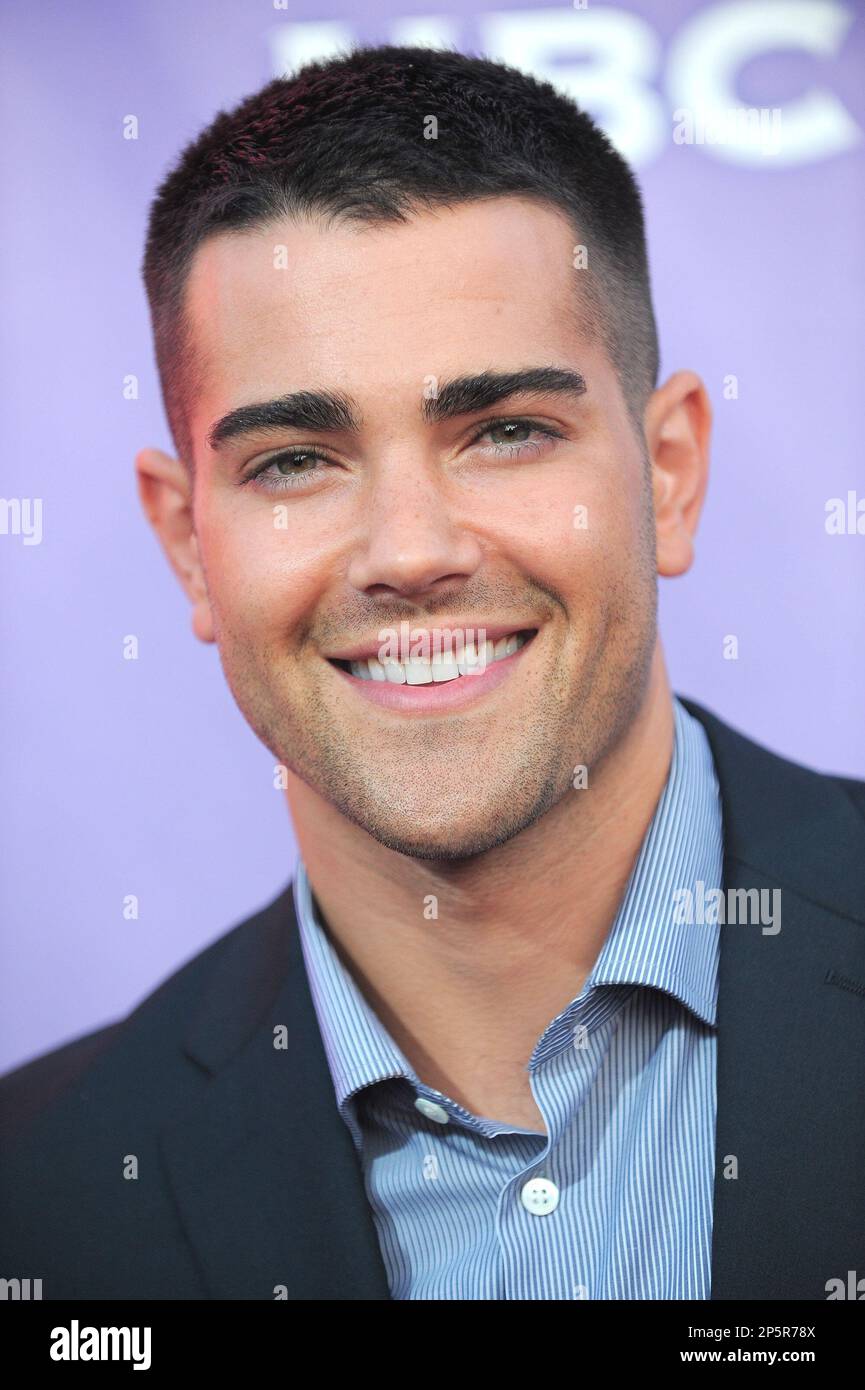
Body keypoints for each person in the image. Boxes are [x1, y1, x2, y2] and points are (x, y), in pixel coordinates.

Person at [2, 44, 863, 1302]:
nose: (409, 554)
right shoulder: (39, 1193)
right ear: (188, 543)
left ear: (668, 473)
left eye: (505, 431)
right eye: (294, 460)